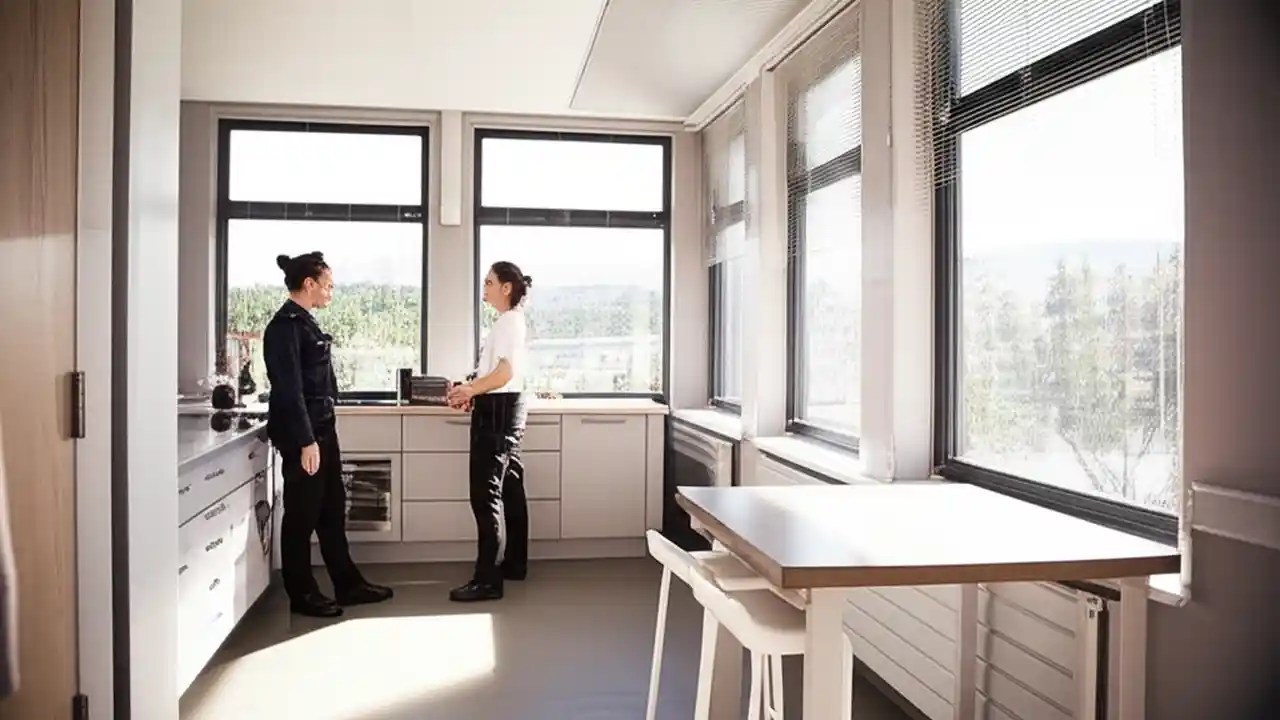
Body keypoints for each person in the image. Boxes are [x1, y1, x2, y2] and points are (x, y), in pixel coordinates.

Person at [263, 252, 393, 617]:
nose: (331, 292)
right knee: (302, 517)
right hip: (304, 437)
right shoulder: (284, 327)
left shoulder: (306, 324)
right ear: (310, 284)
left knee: (332, 510)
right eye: (328, 285)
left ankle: (348, 585)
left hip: (323, 432)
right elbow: (289, 390)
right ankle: (302, 594)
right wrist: (306, 442)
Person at [446, 261, 533, 602]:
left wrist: (469, 391)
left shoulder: (509, 323)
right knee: (510, 489)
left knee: (485, 498)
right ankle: (514, 564)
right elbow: (496, 374)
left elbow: (504, 373)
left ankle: (487, 580)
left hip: (497, 416)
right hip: (507, 412)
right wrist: (471, 388)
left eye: (489, 282)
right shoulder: (509, 323)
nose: (484, 287)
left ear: (506, 288)